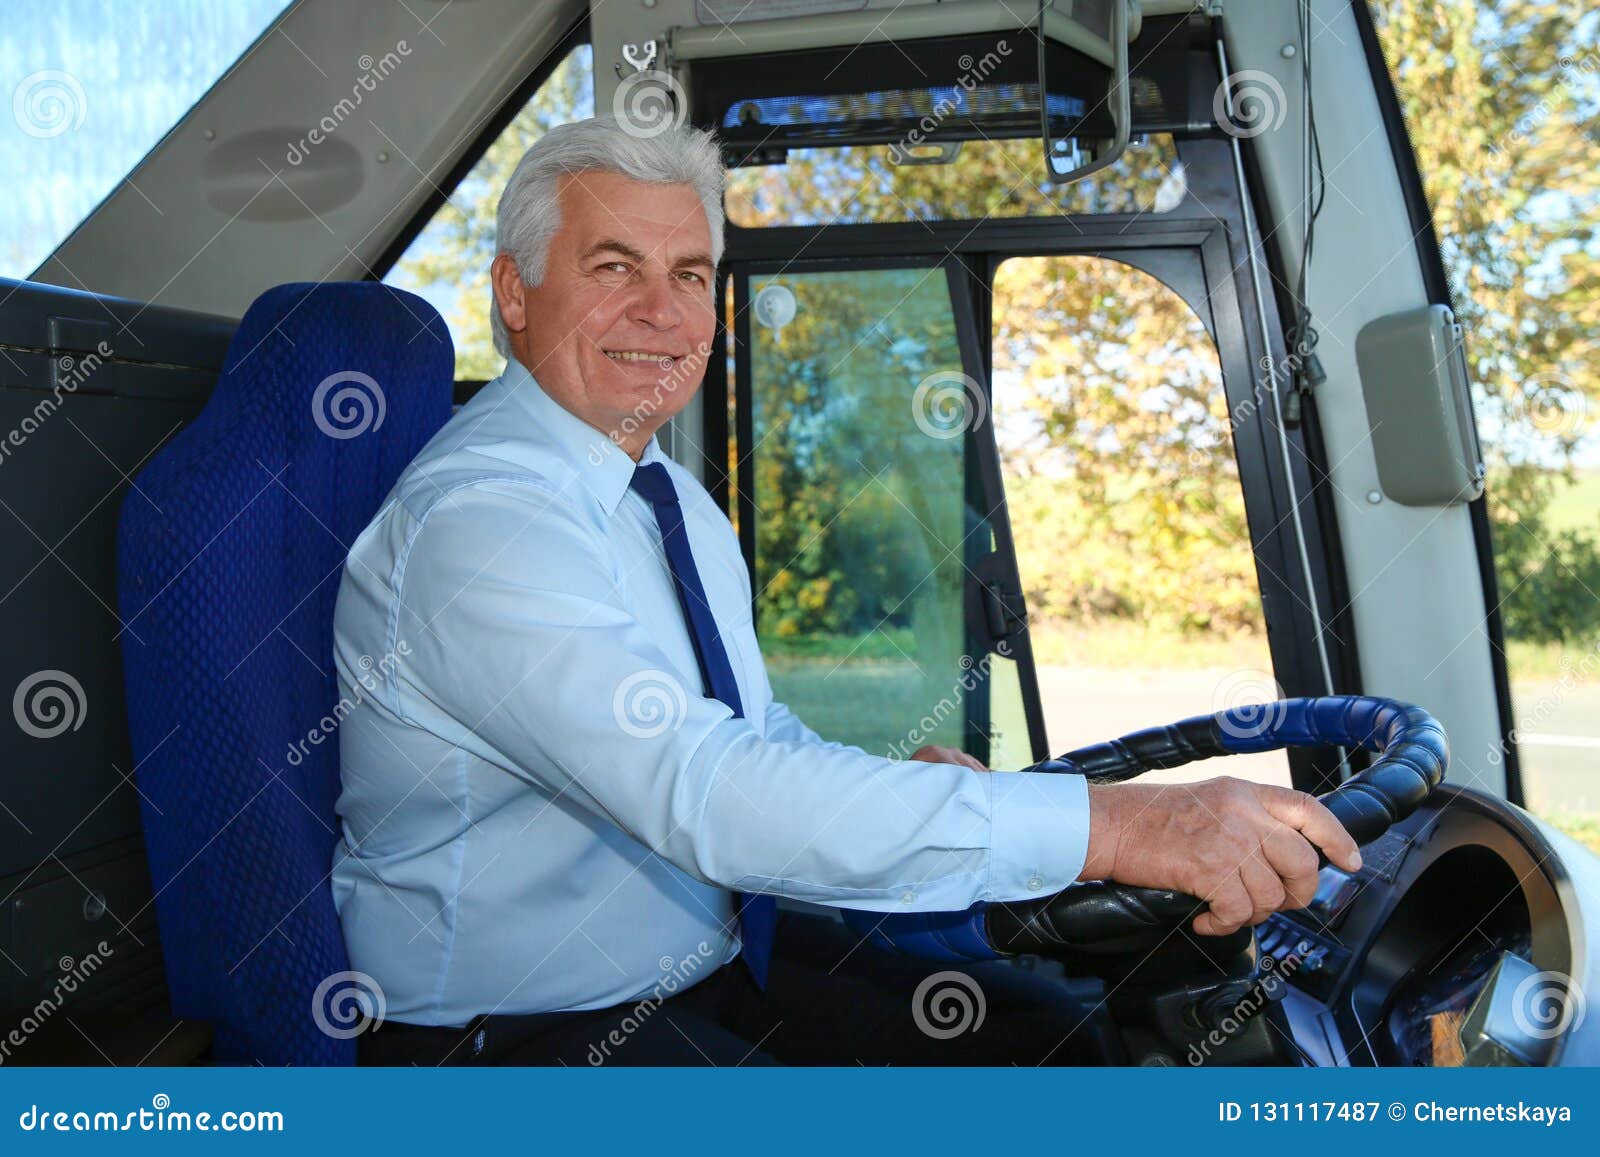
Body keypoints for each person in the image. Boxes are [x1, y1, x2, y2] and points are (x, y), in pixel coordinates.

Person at [330, 116, 1361, 1066]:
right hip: (510, 1036)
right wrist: (1126, 825)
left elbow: (750, 735)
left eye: (691, 275)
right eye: (615, 268)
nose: (663, 310)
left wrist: (923, 792)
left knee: (1052, 1038)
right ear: (515, 294)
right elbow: (708, 794)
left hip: (703, 957)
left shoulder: (664, 495)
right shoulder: (481, 523)